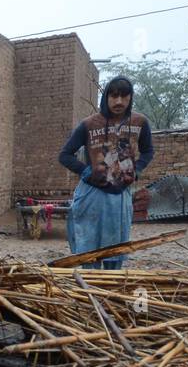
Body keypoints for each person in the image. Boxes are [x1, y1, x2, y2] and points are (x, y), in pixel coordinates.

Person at [59, 76, 154, 269]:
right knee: (89, 249)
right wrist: (86, 172)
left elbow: (148, 151)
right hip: (92, 194)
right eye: (114, 96)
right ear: (106, 97)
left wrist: (138, 170)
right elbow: (65, 155)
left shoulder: (140, 122)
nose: (119, 101)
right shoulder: (89, 124)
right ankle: (90, 292)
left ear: (130, 98)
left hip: (120, 197)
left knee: (115, 248)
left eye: (124, 96)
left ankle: (111, 292)